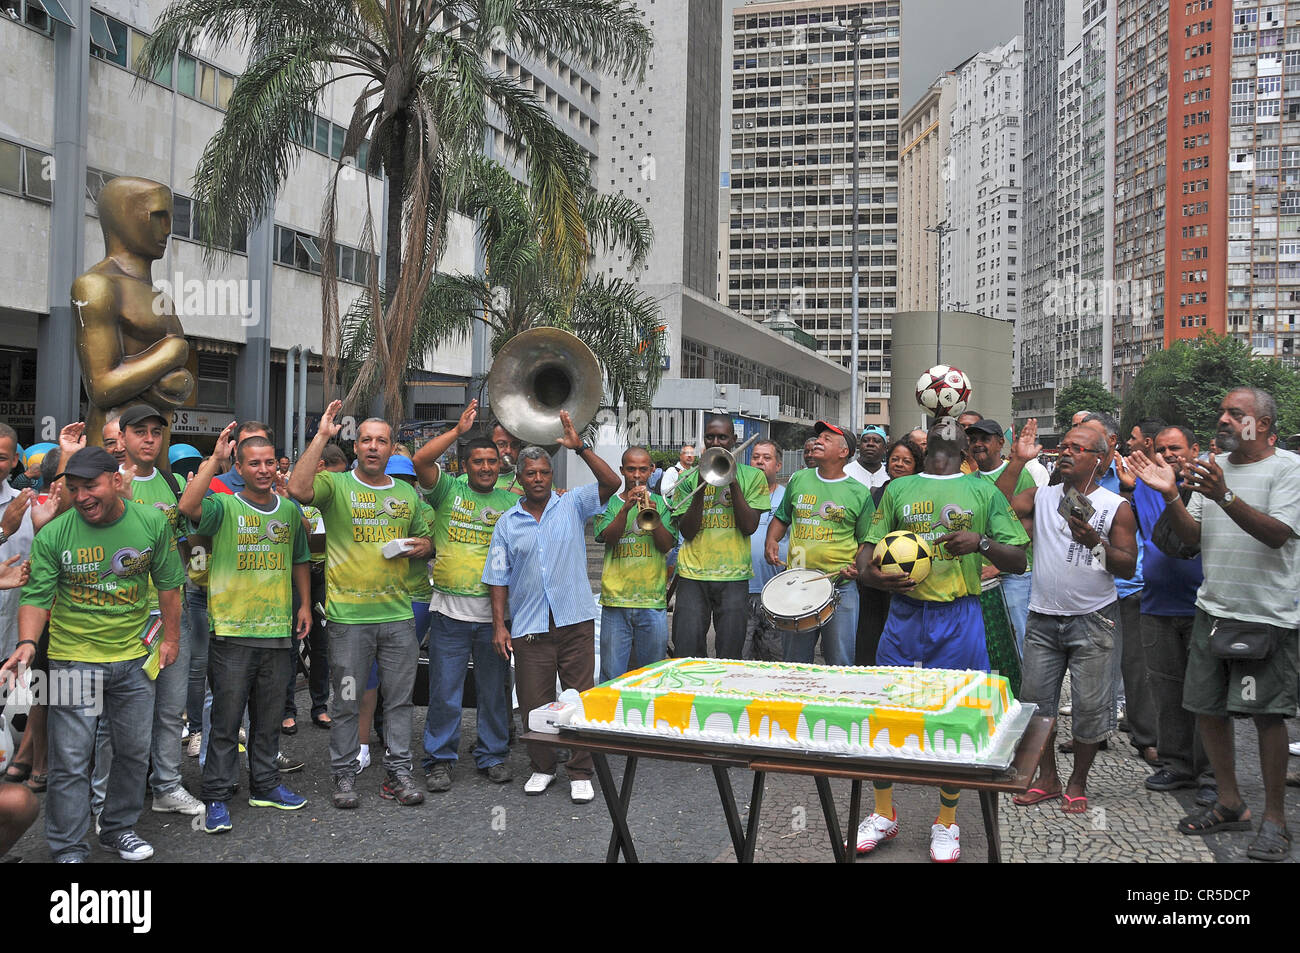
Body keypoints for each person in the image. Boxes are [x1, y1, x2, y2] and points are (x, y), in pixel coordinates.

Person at [1128, 388, 1300, 861]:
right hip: (1213, 610)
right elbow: (1193, 539)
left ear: (1262, 425)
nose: (1222, 419)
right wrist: (1172, 497)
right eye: (1222, 412)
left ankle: (1275, 820)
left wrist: (1223, 492)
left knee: (1266, 717)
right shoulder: (1211, 470)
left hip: (1266, 615)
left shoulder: (1288, 469)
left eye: (1235, 414)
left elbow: (1278, 534)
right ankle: (1230, 802)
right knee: (1207, 709)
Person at [855, 419, 1028, 862]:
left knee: (956, 717)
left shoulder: (983, 491)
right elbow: (867, 548)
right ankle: (882, 811)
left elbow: (1018, 558)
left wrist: (983, 543)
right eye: (937, 419)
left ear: (968, 441)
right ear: (922, 436)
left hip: (960, 614)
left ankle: (947, 820)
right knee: (885, 710)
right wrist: (872, 574)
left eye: (959, 421)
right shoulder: (899, 488)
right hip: (904, 616)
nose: (948, 425)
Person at [5, 446, 184, 862]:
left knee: (134, 752)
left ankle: (118, 829)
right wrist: (28, 644)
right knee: (69, 760)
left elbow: (170, 586)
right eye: (74, 488)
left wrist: (171, 639)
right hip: (74, 660)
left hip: (136, 660)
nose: (82, 496)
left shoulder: (151, 522)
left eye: (91, 486)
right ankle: (67, 845)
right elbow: (36, 595)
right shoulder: (56, 534)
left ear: (116, 482)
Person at [288, 400, 434, 810]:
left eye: (381, 441)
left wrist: (423, 545)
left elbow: (426, 541)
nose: (372, 447)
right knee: (347, 700)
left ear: (391, 449)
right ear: (355, 447)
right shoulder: (336, 487)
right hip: (349, 620)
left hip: (398, 617)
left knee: (400, 699)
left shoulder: (406, 493)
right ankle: (344, 773)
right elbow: (298, 490)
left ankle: (398, 774)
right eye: (365, 440)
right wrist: (321, 436)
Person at [178, 424, 313, 833]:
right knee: (226, 719)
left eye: (270, 462)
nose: (263, 469)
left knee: (269, 717)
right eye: (253, 463)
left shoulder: (289, 510)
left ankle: (266, 785)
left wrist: (305, 603)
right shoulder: (223, 505)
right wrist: (212, 461)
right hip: (232, 632)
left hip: (277, 632)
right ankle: (216, 795)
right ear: (239, 466)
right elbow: (187, 507)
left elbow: (299, 559)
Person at [998, 420, 1137, 816]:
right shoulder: (1042, 496)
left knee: (1090, 708)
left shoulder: (1116, 506)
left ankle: (1078, 782)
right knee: (1037, 706)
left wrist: (1094, 542)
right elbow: (995, 505)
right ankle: (1047, 779)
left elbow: (1126, 567)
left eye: (1076, 447)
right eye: (1063, 446)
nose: (1066, 452)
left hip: (1094, 620)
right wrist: (1015, 462)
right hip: (1042, 619)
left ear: (1100, 459)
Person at [482, 413, 620, 803]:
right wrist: (499, 625)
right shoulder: (508, 523)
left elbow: (612, 483)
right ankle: (542, 767)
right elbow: (497, 577)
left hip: (575, 621)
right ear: (520, 478)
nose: (538, 478)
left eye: (544, 471)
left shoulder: (573, 504)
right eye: (531, 473)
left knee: (579, 698)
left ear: (551, 475)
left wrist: (581, 448)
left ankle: (580, 770)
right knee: (533, 702)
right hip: (529, 627)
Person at [94, 404, 201, 816]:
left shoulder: (172, 482)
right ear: (122, 438)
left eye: (157, 432)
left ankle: (167, 786)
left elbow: (183, 542)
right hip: (124, 618)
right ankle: (105, 796)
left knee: (171, 709)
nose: (150, 439)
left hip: (171, 611)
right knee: (114, 718)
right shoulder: (108, 484)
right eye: (140, 432)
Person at [410, 400, 518, 792]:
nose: (486, 467)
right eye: (478, 461)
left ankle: (492, 755)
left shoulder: (512, 502)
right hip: (448, 616)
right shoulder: (446, 491)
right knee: (444, 692)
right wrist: (457, 431)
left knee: (492, 693)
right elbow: (421, 460)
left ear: (500, 463)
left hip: (494, 619)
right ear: (465, 465)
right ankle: (439, 760)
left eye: (492, 461)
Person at [1126, 425, 1215, 806]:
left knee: (1207, 694)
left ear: (1194, 449)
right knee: (1166, 689)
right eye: (1161, 449)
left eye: (1175, 447)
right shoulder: (1145, 485)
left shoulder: (1210, 486)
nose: (1168, 454)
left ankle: (1213, 773)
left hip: (1202, 605)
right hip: (1157, 602)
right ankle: (1176, 763)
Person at [1082, 411, 1158, 766]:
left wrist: (1130, 489)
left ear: (1110, 443)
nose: (1081, 447)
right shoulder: (1075, 480)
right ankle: (1093, 734)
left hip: (1128, 584)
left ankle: (1147, 738)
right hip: (1088, 587)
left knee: (1135, 667)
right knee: (1093, 665)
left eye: (1090, 440)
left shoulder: (1134, 476)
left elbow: (1152, 526)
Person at [766, 422, 873, 666]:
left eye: (827, 438)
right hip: (797, 582)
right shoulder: (799, 479)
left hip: (840, 587)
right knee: (795, 663)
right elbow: (782, 517)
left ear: (843, 452)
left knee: (840, 662)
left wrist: (857, 566)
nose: (818, 441)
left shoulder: (859, 493)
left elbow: (866, 540)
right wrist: (772, 540)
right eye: (818, 437)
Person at [669, 416, 771, 660]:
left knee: (730, 652)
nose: (715, 442)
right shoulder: (689, 478)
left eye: (722, 437)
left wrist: (731, 480)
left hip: (734, 576)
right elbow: (688, 532)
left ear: (733, 440)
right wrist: (701, 487)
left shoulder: (753, 477)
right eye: (710, 437)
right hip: (693, 575)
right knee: (687, 650)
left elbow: (749, 526)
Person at [594, 447, 677, 680]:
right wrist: (625, 508)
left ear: (652, 470)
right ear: (622, 471)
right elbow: (608, 538)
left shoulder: (662, 504)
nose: (637, 475)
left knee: (652, 676)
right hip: (615, 602)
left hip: (652, 601)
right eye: (631, 470)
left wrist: (653, 515)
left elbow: (665, 545)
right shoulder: (608, 504)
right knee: (612, 675)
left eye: (642, 469)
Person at [283, 443, 346, 739]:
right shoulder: (290, 493)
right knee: (291, 645)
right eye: (335, 473)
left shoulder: (337, 495)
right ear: (320, 466)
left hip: (325, 575)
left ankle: (320, 705)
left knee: (322, 646)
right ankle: (286, 711)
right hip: (295, 577)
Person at [967, 419, 1034, 651]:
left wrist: (999, 567)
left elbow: (1026, 526)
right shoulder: (967, 481)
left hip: (1013, 577)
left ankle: (1024, 689)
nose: (978, 444)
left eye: (984, 439)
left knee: (1018, 644)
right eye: (973, 439)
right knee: (988, 647)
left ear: (1000, 442)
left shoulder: (1020, 474)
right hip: (979, 578)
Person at [745, 439, 786, 661]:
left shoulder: (787, 497)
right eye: (755, 457)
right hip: (742, 588)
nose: (760, 462)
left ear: (778, 465)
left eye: (767, 458)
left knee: (775, 659)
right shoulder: (738, 495)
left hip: (776, 592)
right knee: (739, 658)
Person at [845, 425, 889, 490]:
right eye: (865, 441)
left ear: (885, 448)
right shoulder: (846, 472)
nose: (870, 444)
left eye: (876, 441)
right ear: (859, 446)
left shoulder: (889, 475)